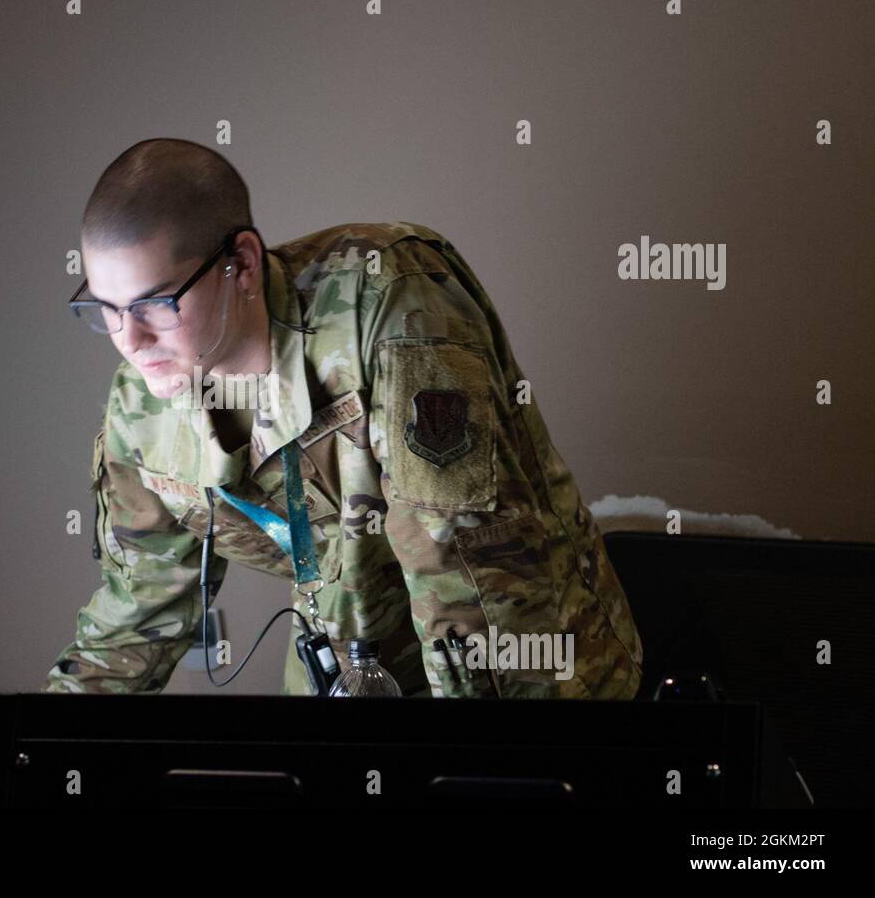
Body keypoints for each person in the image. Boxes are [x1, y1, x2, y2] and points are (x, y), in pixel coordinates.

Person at [43, 138, 642, 698]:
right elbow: (138, 610)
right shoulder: (143, 401)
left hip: (523, 654)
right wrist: (28, 753)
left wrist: (471, 772)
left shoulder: (391, 302)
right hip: (346, 655)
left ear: (243, 263)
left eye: (156, 303)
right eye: (105, 308)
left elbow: (466, 572)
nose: (130, 339)